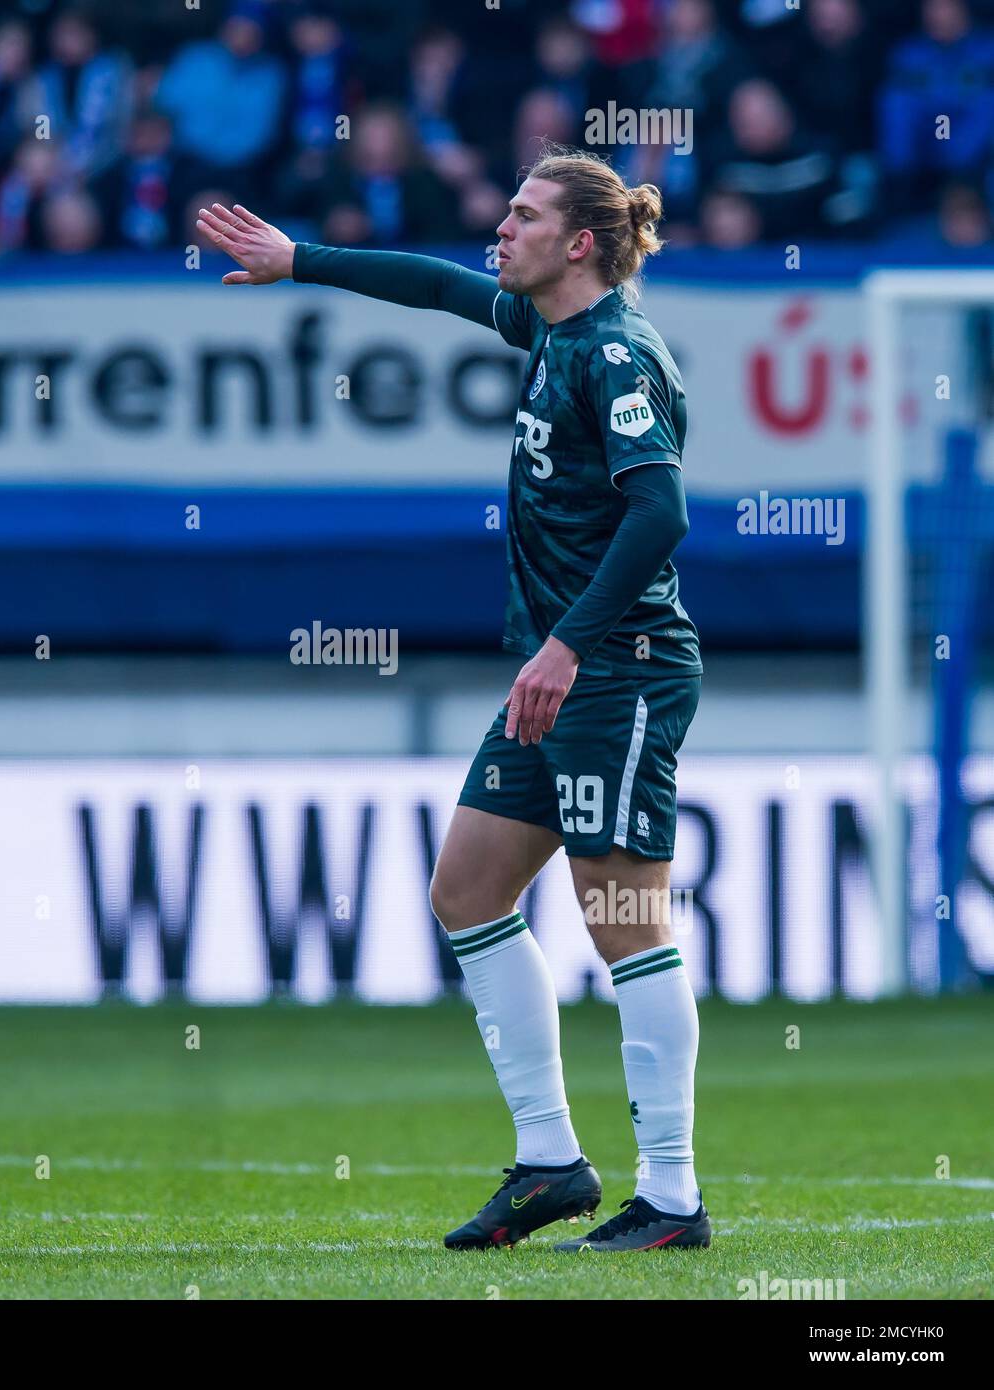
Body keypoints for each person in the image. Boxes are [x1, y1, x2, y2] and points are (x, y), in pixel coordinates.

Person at [197, 142, 709, 1254]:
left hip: (615, 667)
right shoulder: (548, 327)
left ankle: (671, 1197)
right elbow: (435, 284)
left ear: (579, 241)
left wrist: (566, 647)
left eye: (524, 215)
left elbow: (660, 513)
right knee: (468, 889)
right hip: (558, 669)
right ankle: (549, 1163)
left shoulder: (615, 355)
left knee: (622, 922)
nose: (501, 226)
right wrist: (302, 261)